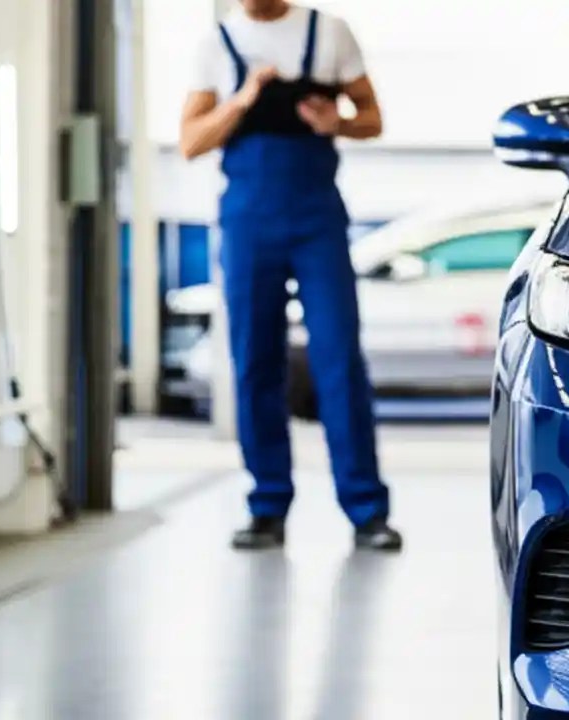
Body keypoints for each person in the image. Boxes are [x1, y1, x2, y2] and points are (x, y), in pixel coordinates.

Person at [179, 0, 400, 551]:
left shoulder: (329, 35)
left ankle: (367, 510)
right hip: (248, 222)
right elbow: (191, 141)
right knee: (256, 361)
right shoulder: (217, 45)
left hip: (317, 219)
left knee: (339, 360)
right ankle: (267, 506)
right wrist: (245, 99)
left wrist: (338, 123)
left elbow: (373, 119)